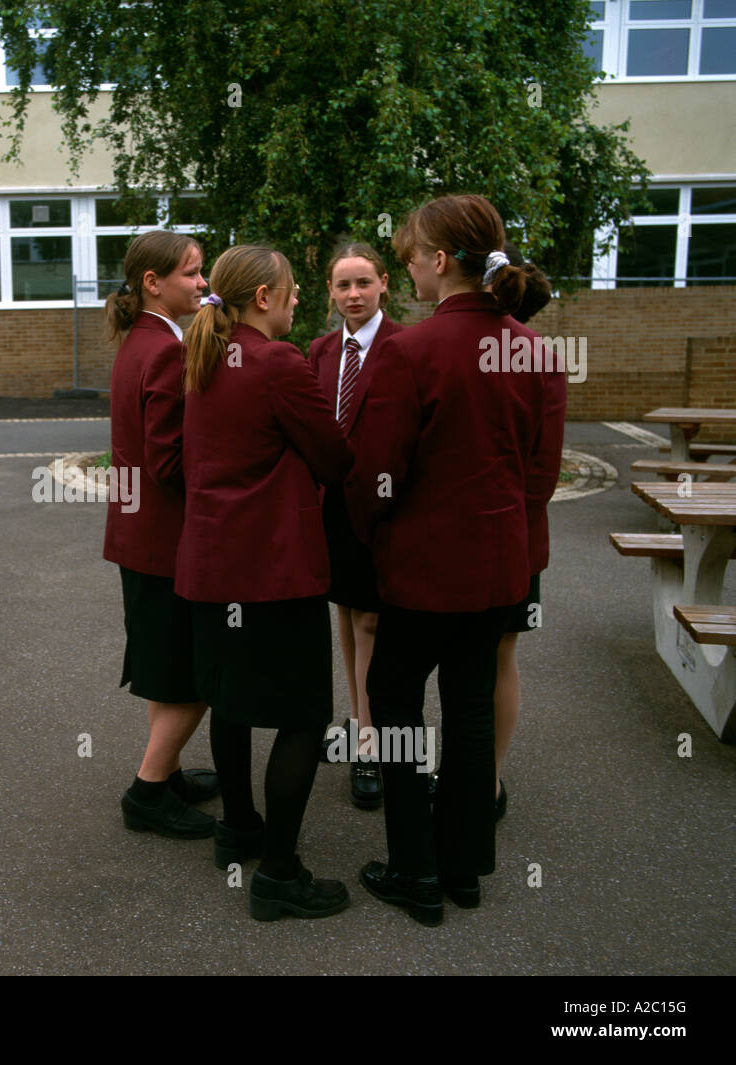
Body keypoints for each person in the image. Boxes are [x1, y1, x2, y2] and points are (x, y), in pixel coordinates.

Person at [346, 194, 564, 925]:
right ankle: (464, 868)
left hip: (419, 569)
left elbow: (376, 471)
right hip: (498, 566)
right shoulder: (534, 350)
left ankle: (415, 871)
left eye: (410, 255)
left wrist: (369, 532)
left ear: (440, 261)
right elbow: (541, 476)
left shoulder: (407, 350)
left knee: (399, 703)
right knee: (470, 707)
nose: (407, 266)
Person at [177, 244, 351, 921]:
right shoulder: (280, 363)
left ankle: (238, 826)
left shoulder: (203, 356)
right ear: (263, 298)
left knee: (232, 701)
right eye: (293, 289)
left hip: (210, 568)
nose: (301, 297)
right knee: (305, 716)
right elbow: (335, 458)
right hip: (274, 572)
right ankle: (280, 872)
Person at [104, 230, 221, 840]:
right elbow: (171, 462)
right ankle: (148, 791)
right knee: (197, 674)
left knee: (163, 665)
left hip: (139, 535)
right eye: (192, 274)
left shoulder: (140, 341)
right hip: (167, 539)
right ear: (153, 283)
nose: (203, 284)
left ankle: (167, 769)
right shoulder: (168, 351)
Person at [309, 242, 404, 810]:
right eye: (343, 286)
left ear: (385, 284)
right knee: (346, 617)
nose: (353, 295)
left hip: (382, 509)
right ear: (330, 291)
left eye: (363, 283)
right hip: (330, 511)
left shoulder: (404, 348)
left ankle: (369, 745)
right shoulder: (319, 352)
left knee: (369, 620)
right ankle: (357, 719)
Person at [490, 241, 559, 823]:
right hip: (518, 538)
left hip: (500, 538)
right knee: (499, 656)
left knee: (484, 660)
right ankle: (484, 780)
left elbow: (540, 471)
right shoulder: (542, 352)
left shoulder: (528, 353)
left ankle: (479, 779)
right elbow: (543, 472)